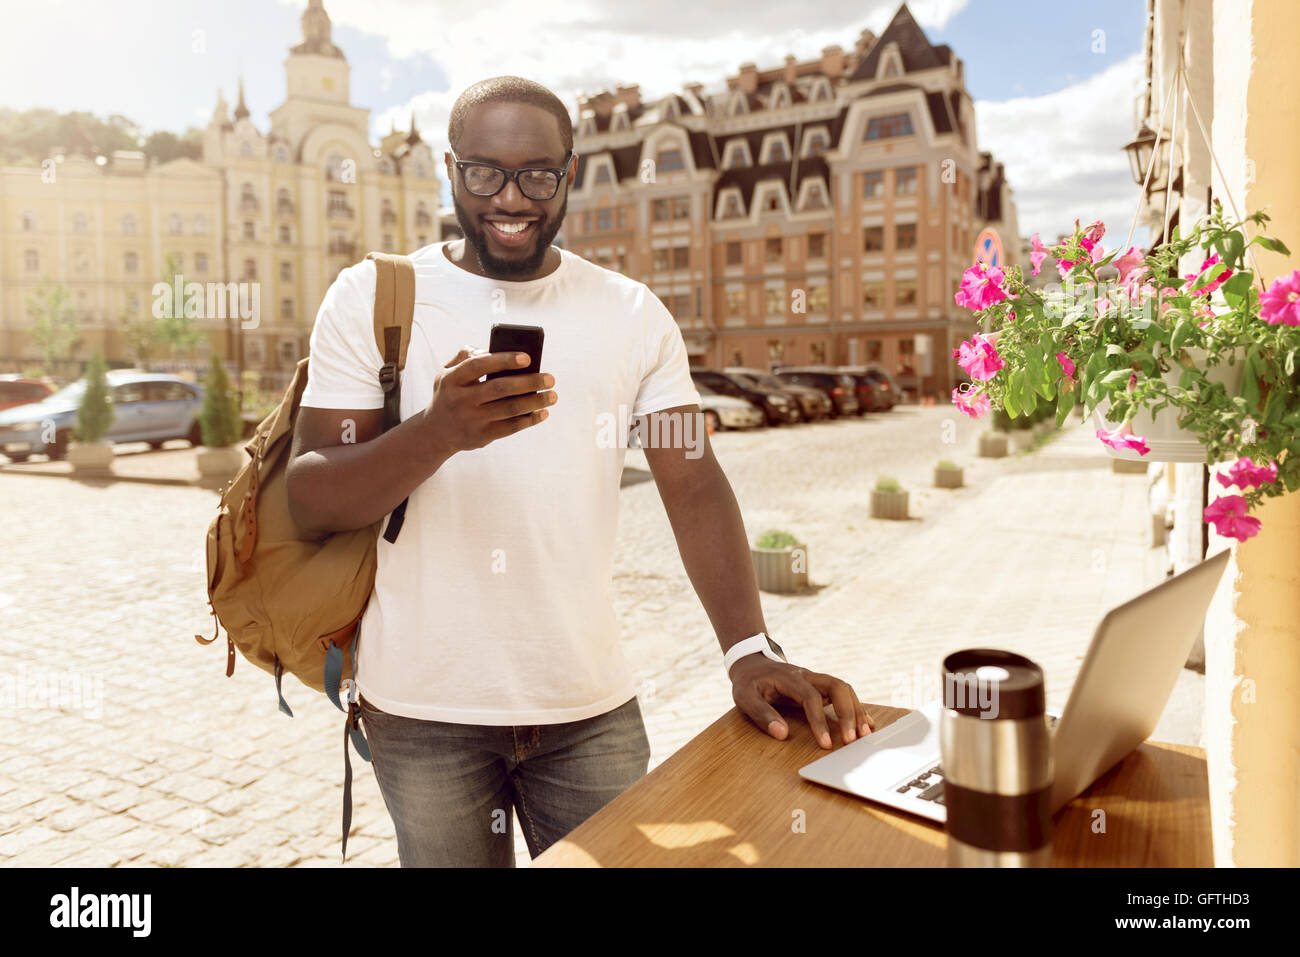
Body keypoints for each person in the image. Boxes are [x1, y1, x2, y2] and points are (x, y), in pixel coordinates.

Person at [286, 75, 873, 867]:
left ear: (570, 172)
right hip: (420, 711)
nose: (512, 196)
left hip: (589, 711)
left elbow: (693, 482)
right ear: (452, 170)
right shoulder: (374, 297)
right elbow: (311, 497)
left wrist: (748, 650)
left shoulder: (631, 313)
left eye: (538, 173)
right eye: (485, 171)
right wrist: (439, 431)